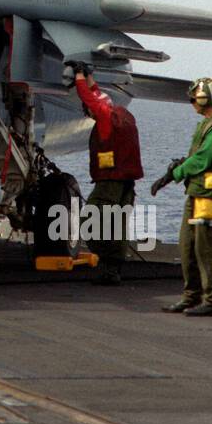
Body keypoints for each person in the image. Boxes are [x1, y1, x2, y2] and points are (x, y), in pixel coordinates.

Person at [151, 77, 212, 317]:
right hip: (198, 192)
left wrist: (176, 173)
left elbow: (203, 159)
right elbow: (200, 155)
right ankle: (191, 296)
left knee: (207, 249)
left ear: (203, 99)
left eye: (194, 99)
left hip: (210, 196)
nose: (192, 103)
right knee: (188, 246)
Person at [73, 65, 143, 285]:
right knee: (117, 226)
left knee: (90, 223)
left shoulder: (104, 118)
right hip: (126, 184)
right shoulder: (121, 114)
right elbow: (97, 97)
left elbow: (89, 98)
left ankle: (108, 262)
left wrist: (78, 78)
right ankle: (112, 270)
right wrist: (89, 76)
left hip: (109, 184)